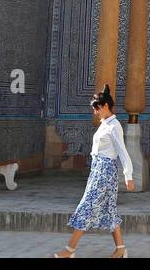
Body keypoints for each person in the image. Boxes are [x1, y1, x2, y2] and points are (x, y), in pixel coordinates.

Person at [53, 86, 135, 258]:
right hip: (97, 171)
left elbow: (122, 151)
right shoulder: (105, 124)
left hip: (105, 173)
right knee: (109, 210)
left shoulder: (114, 126)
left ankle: (69, 250)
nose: (95, 112)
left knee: (86, 207)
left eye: (96, 108)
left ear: (105, 106)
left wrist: (128, 175)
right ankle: (120, 249)